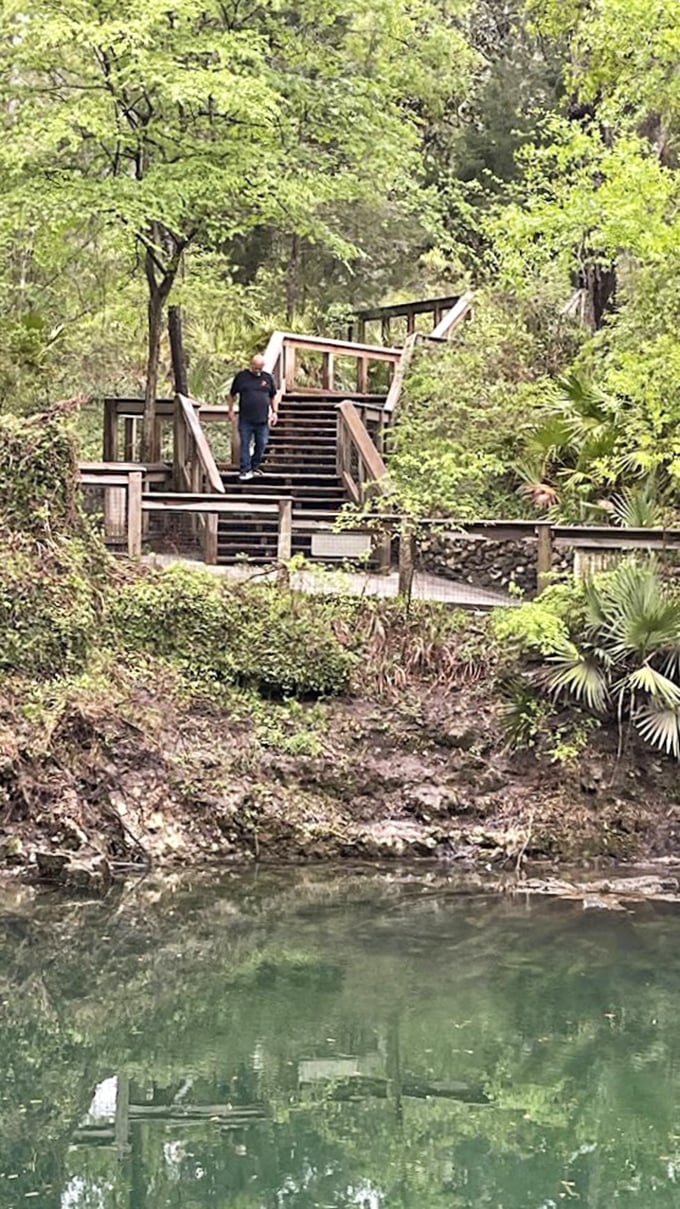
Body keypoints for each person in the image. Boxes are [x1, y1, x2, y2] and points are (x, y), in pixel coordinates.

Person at [228, 354, 279, 481]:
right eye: (256, 368)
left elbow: (273, 396)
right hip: (246, 418)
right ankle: (245, 469)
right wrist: (230, 410)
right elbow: (231, 395)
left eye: (260, 368)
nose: (258, 371)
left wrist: (274, 412)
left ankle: (254, 465)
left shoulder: (267, 378)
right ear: (251, 365)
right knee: (245, 444)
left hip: (262, 419)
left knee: (262, 443)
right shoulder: (242, 377)